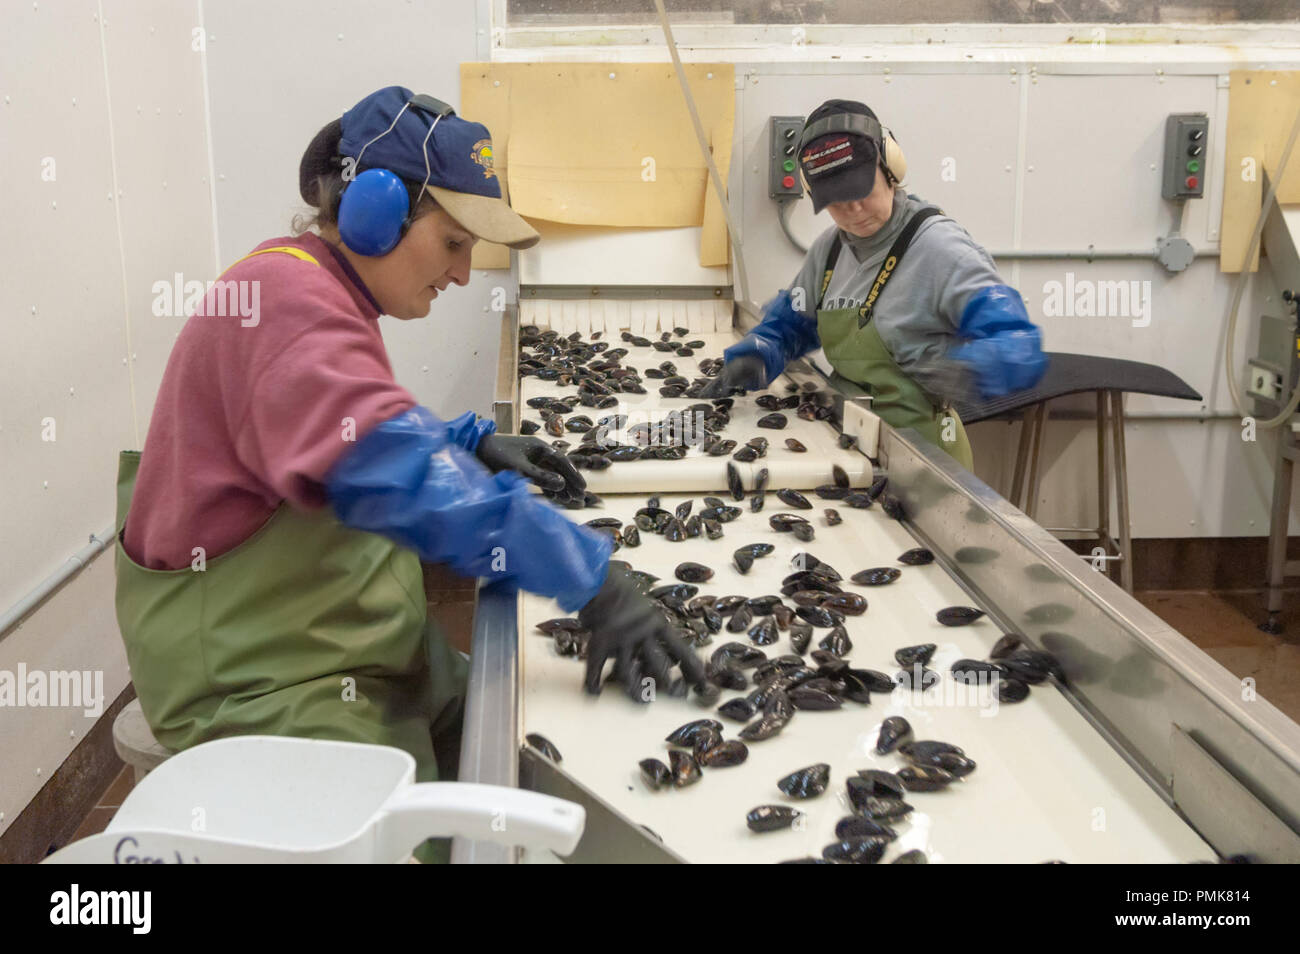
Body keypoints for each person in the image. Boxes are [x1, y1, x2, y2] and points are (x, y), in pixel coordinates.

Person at [113, 86, 707, 804]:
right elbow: (397, 474)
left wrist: (469, 442)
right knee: (413, 835)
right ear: (375, 213)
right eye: (455, 243)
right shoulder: (282, 304)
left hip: (342, 635)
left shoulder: (313, 286)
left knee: (513, 738)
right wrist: (591, 578)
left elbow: (349, 427)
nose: (461, 273)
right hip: (263, 680)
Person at [703, 99, 1047, 468]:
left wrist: (970, 368)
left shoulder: (939, 247)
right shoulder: (831, 250)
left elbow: (1017, 344)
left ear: (890, 169)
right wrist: (762, 349)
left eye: (861, 191)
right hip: (848, 440)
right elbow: (794, 323)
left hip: (922, 452)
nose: (853, 211)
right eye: (836, 202)